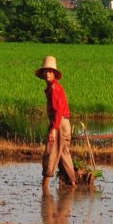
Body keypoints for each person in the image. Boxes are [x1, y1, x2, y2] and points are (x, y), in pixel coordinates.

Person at [36, 55, 76, 190]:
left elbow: (58, 111)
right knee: (64, 155)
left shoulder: (54, 88)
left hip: (59, 123)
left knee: (51, 153)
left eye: (50, 71)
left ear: (54, 73)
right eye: (45, 71)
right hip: (64, 124)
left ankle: (44, 187)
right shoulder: (53, 87)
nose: (47, 73)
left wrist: (53, 129)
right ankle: (73, 184)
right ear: (43, 74)